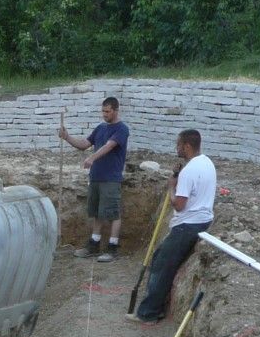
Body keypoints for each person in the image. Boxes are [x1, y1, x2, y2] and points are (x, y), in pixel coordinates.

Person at [130, 129, 216, 323]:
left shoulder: (189, 171)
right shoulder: (207, 162)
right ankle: (158, 307)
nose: (176, 148)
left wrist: (171, 187)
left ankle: (148, 313)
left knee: (161, 265)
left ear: (187, 146)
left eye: (178, 144)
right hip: (202, 220)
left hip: (187, 225)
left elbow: (178, 205)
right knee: (161, 258)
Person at [59, 96, 129, 262]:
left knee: (113, 213)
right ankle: (94, 244)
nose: (104, 114)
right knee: (97, 212)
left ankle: (112, 248)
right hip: (96, 177)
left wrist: (92, 158)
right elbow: (84, 144)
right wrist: (67, 137)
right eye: (103, 111)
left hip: (111, 178)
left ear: (116, 110)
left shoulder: (122, 129)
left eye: (107, 111)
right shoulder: (100, 128)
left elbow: (109, 146)